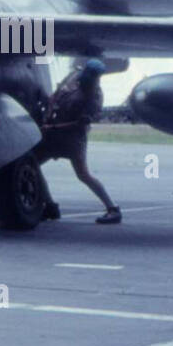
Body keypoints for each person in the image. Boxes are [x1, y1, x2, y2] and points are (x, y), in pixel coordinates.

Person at [36, 59, 121, 224]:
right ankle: (49, 205)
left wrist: (52, 127)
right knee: (33, 164)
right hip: (52, 132)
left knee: (83, 174)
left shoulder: (94, 96)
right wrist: (49, 109)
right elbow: (57, 95)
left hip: (72, 138)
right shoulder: (74, 77)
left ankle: (113, 209)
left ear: (97, 78)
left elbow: (81, 123)